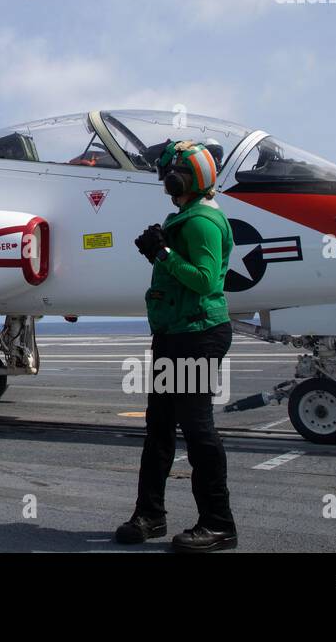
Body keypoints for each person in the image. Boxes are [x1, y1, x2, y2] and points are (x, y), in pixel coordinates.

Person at [116, 140, 238, 552]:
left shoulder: (202, 221)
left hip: (197, 334)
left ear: (180, 178)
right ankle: (150, 516)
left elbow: (206, 281)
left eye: (168, 174)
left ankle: (219, 525)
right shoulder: (188, 216)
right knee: (160, 428)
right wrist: (162, 250)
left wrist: (163, 253)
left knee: (197, 428)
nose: (165, 181)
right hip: (176, 334)